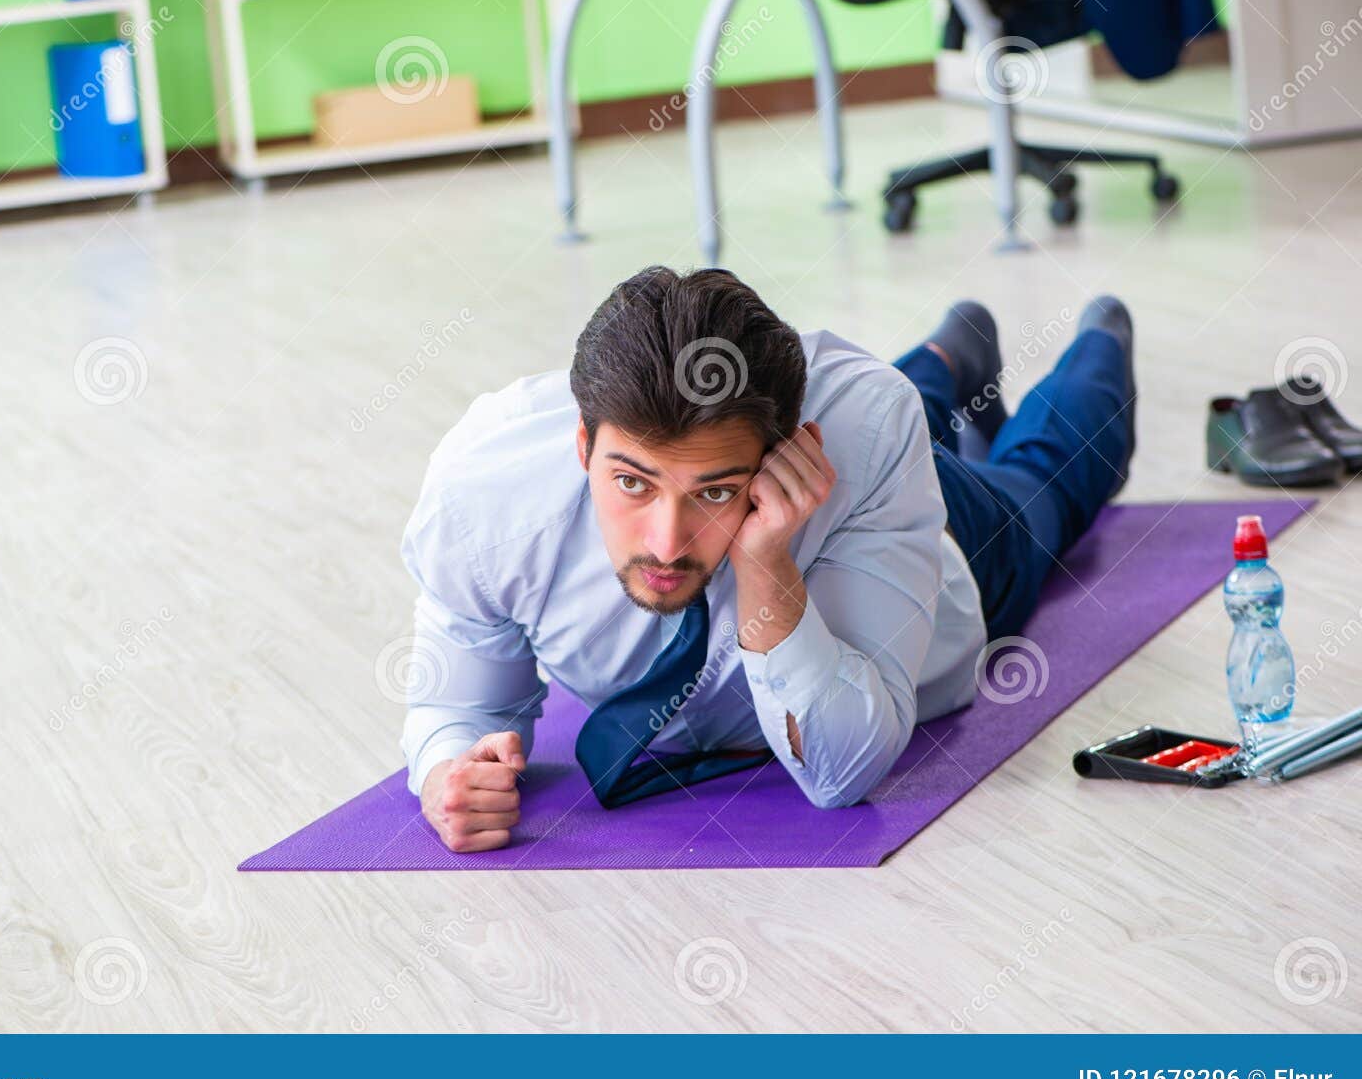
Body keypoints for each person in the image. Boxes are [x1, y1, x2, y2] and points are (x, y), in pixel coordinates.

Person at [399, 266, 1136, 852]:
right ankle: (951, 353)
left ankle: (1104, 334)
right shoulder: (485, 493)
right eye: (632, 482)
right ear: (583, 443)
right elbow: (458, 705)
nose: (665, 542)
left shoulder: (863, 438)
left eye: (714, 490)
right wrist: (448, 773)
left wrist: (767, 565)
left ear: (781, 453)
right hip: (853, 438)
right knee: (899, 402)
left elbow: (842, 773)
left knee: (1042, 484)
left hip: (938, 546)